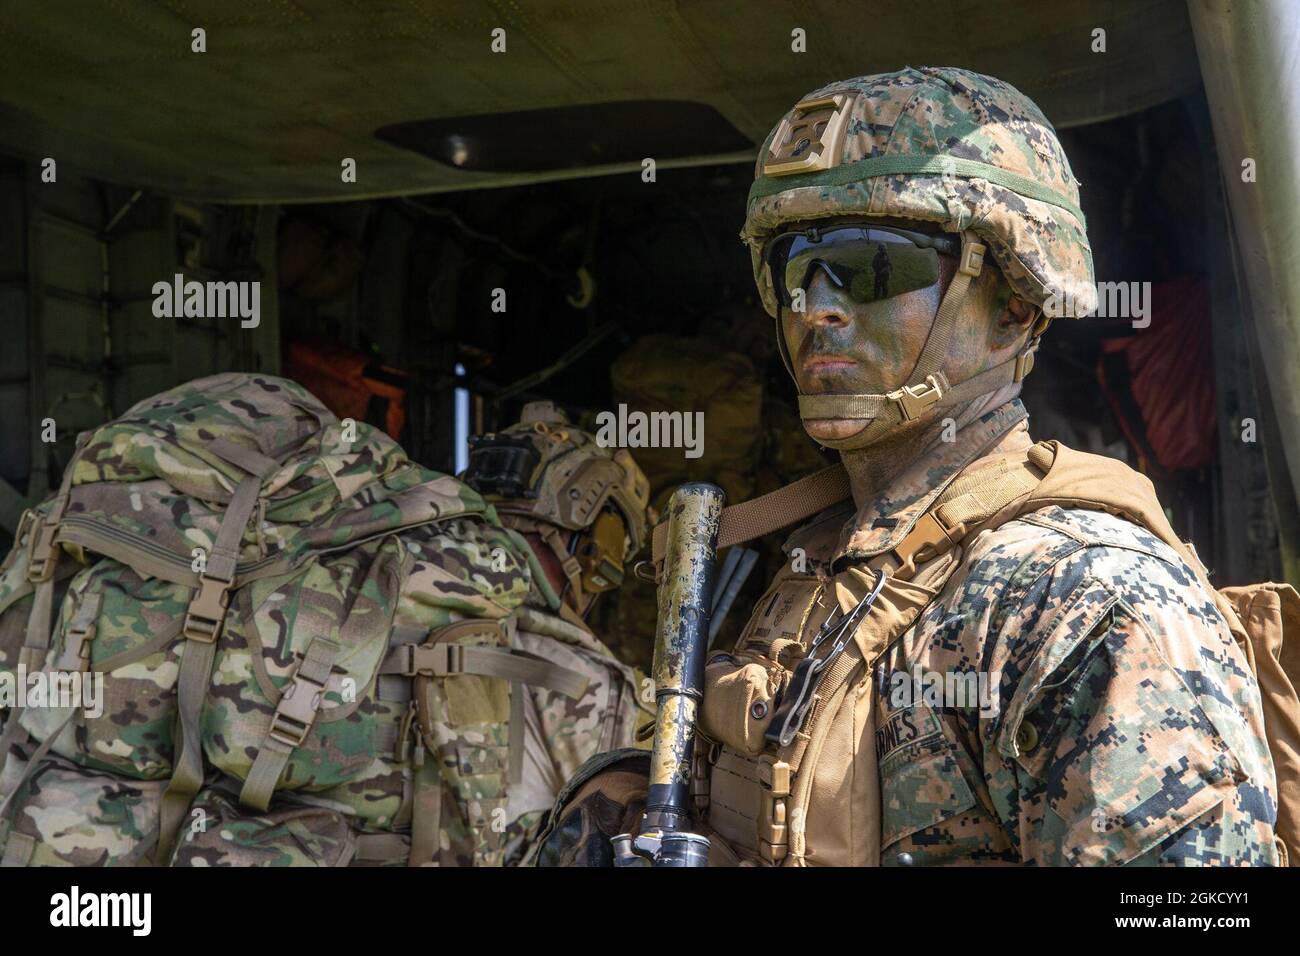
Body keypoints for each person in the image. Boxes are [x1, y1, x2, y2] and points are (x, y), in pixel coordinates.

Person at [534, 67, 1281, 867]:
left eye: (873, 268)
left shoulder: (1086, 601)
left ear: (1015, 304)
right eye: (795, 270)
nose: (815, 309)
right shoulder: (823, 566)